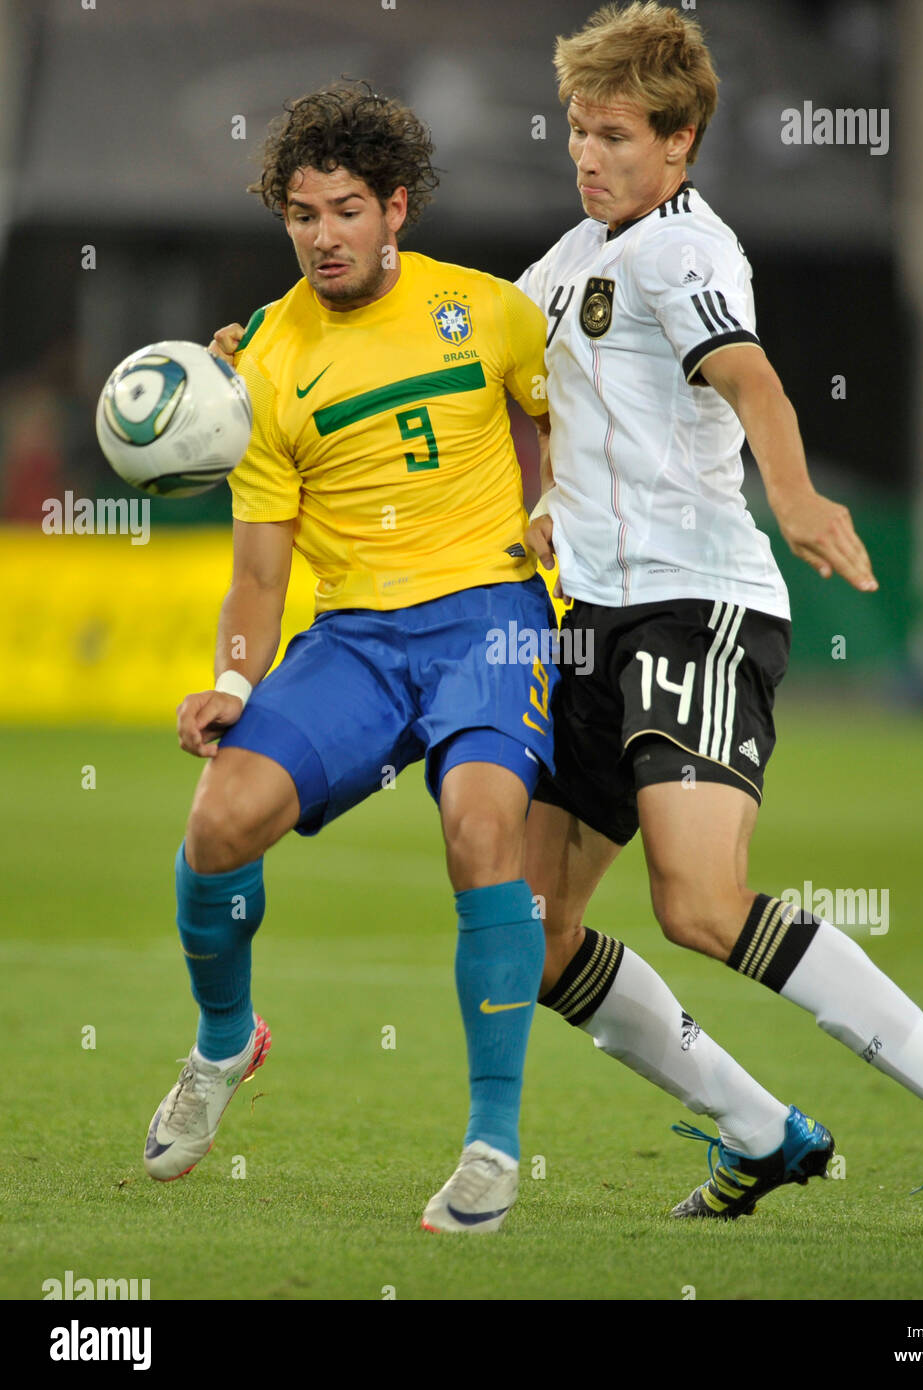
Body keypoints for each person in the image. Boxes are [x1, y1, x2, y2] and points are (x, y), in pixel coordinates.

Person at [518, 1, 923, 1248]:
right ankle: (762, 1131)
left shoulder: (683, 250)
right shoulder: (568, 260)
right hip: (593, 628)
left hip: (692, 607)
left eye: (611, 134)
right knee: (526, 930)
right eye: (574, 131)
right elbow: (492, 359)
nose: (586, 155)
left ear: (680, 140)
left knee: (699, 904)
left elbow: (749, 375)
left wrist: (797, 493)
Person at [142, 80, 559, 1235]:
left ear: (396, 208)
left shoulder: (491, 313)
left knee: (482, 822)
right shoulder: (263, 361)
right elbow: (260, 571)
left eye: (343, 211)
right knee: (218, 821)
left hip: (491, 617)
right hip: (360, 636)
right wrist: (231, 682)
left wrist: (559, 508)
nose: (322, 235)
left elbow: (570, 434)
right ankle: (224, 1046)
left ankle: (490, 1142)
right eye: (300, 214)